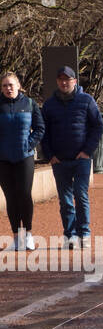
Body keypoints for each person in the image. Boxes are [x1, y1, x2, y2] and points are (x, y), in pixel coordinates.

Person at [41, 66, 103, 248]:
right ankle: (70, 234)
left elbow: (98, 126)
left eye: (67, 79)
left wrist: (87, 151)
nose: (64, 82)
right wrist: (50, 155)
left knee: (80, 194)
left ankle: (84, 232)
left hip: (81, 159)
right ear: (57, 82)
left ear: (74, 81)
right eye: (61, 79)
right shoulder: (49, 104)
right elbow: (43, 132)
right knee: (65, 199)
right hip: (59, 160)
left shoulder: (86, 100)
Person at [0, 72, 45, 251]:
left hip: (24, 157)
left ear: (18, 85)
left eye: (11, 85)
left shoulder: (29, 103)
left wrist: (29, 144)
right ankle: (16, 236)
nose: (8, 88)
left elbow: (40, 128)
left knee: (24, 195)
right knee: (10, 197)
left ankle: (28, 234)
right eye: (4, 86)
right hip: (3, 159)